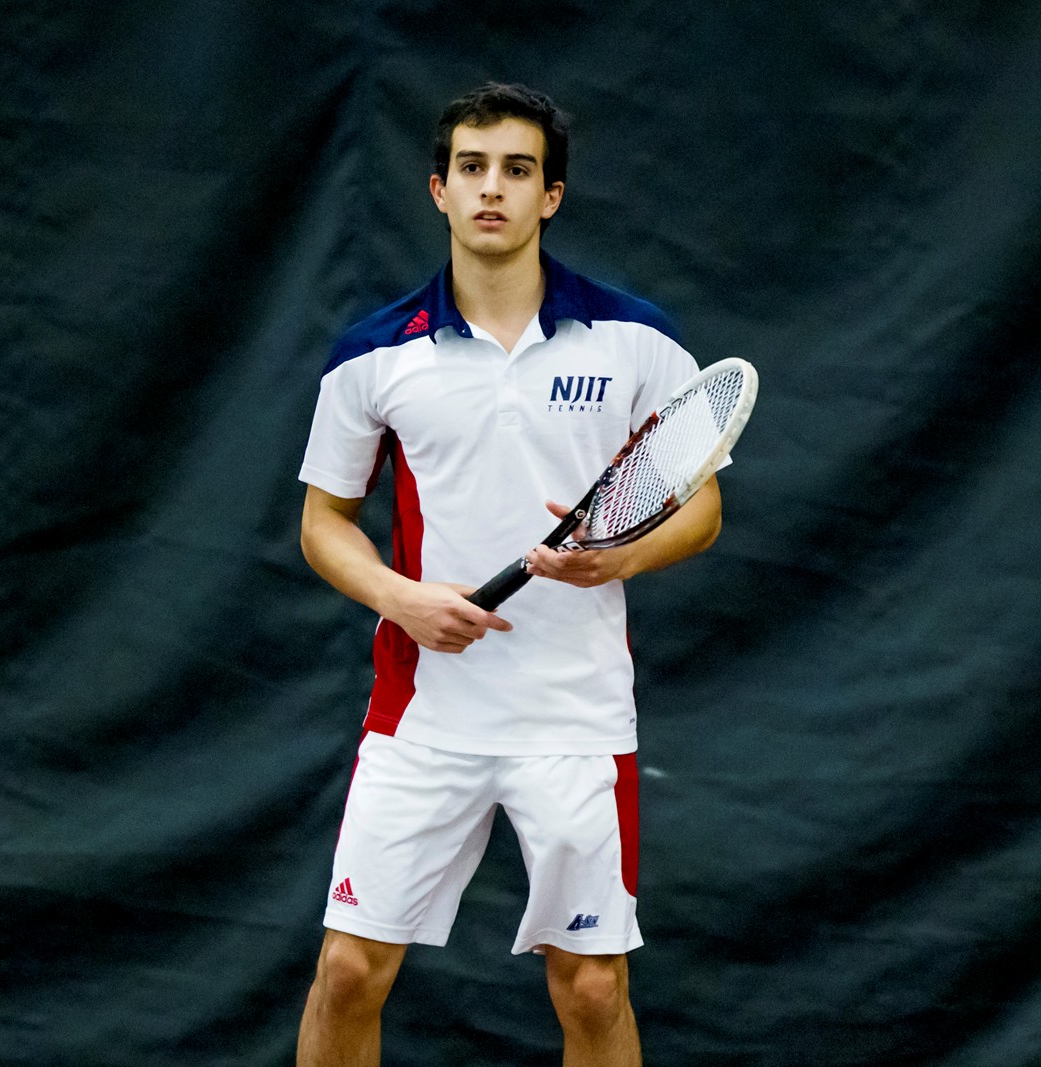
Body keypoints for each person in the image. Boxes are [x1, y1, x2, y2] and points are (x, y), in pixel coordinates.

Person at [294, 82, 724, 1067]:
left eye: (519, 170)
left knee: (590, 987)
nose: (494, 189)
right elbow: (324, 524)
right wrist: (398, 597)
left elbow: (700, 510)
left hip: (574, 720)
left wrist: (621, 553)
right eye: (474, 168)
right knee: (350, 974)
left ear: (551, 198)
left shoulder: (637, 341)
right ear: (439, 190)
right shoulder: (371, 355)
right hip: (421, 716)